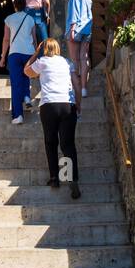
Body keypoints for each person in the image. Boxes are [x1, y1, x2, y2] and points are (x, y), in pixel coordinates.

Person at [24, 38, 81, 199]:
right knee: (67, 144)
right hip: (67, 105)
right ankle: (70, 178)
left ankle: (55, 178)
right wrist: (78, 103)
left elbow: (26, 71)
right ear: (57, 48)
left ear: (44, 49)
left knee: (51, 142)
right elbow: (76, 84)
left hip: (49, 106)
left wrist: (35, 53)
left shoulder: (42, 61)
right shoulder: (67, 62)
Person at [0, 0, 38, 123]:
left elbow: (6, 39)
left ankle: (18, 116)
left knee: (16, 84)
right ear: (25, 5)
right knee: (26, 76)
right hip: (29, 53)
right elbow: (34, 39)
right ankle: (26, 96)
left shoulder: (9, 19)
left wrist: (3, 56)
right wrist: (35, 55)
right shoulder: (30, 19)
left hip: (15, 53)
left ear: (14, 5)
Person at [65, 0, 93, 100]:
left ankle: (75, 88)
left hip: (76, 29)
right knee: (84, 58)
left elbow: (74, 13)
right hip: (86, 30)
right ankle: (84, 88)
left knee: (74, 60)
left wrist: (72, 29)